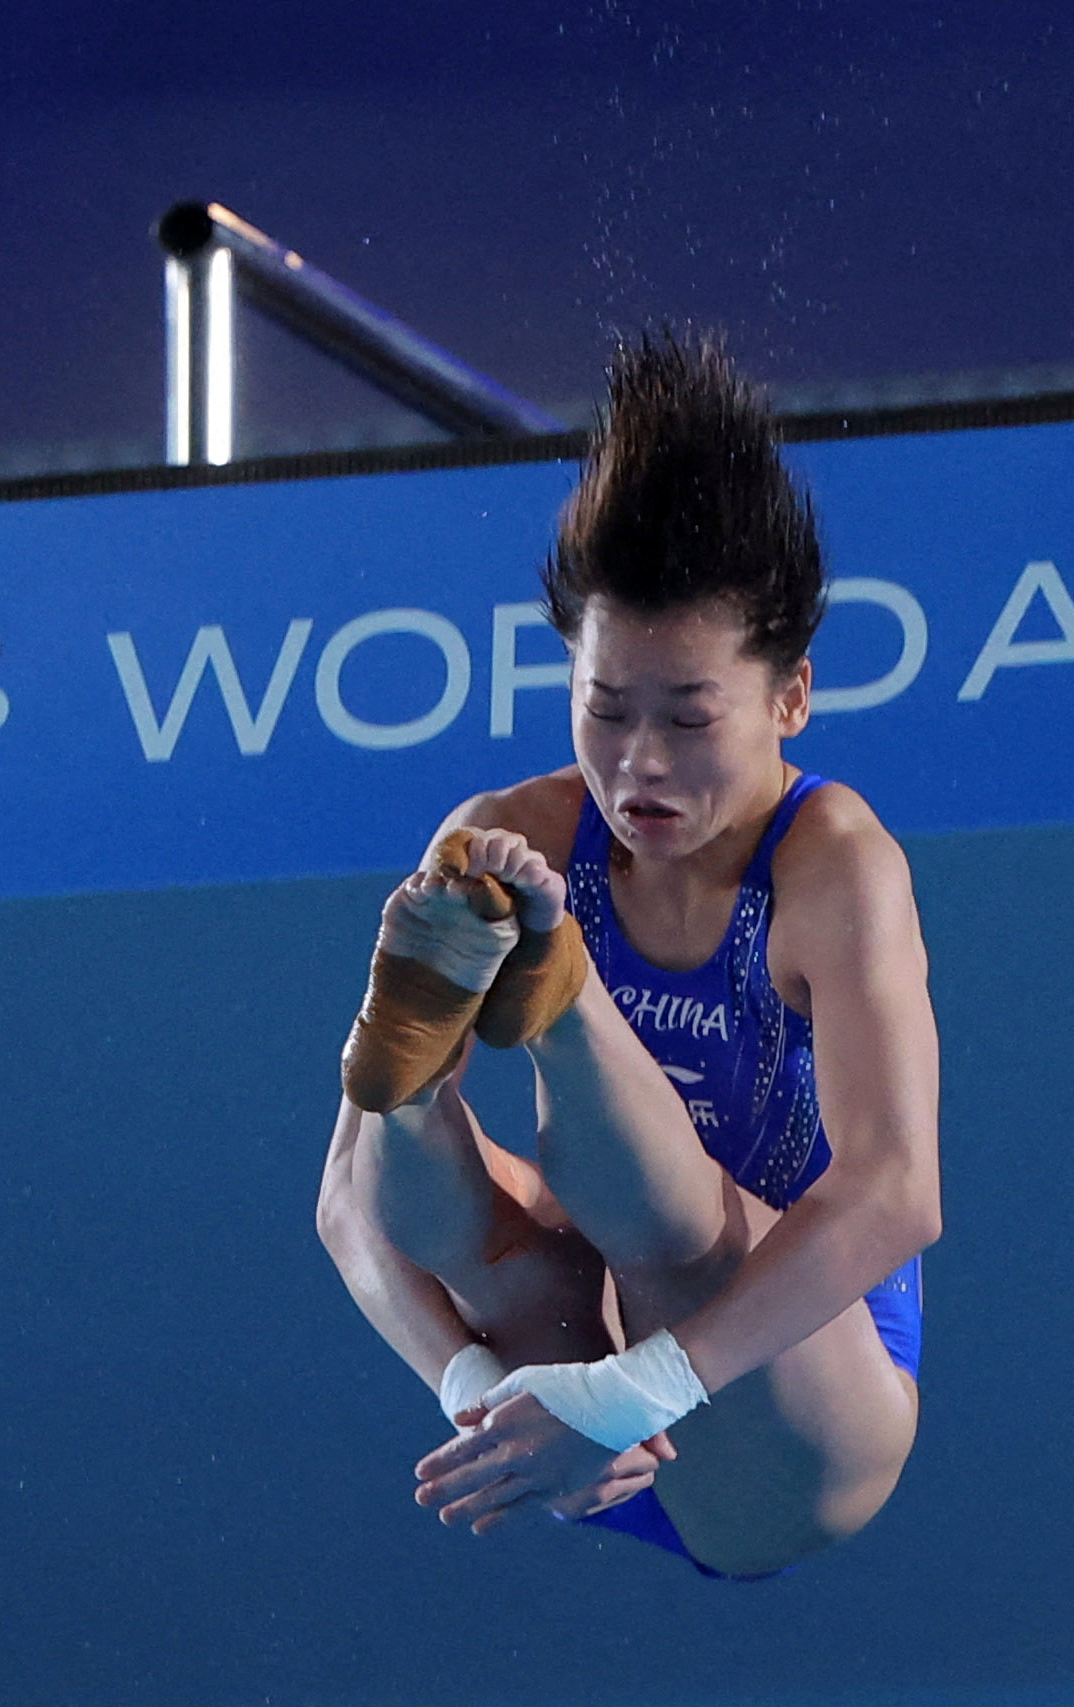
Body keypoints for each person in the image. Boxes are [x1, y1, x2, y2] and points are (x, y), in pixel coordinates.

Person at [314, 333, 940, 1579]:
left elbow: (895, 1194)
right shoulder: (510, 840)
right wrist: (484, 1397)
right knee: (457, 1197)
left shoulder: (833, 862)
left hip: (792, 1402)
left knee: (679, 1225)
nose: (638, 764)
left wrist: (639, 1389)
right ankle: (460, 1054)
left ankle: (558, 1005)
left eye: (687, 717)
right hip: (564, 1408)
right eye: (603, 709)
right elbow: (343, 1205)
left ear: (791, 697)